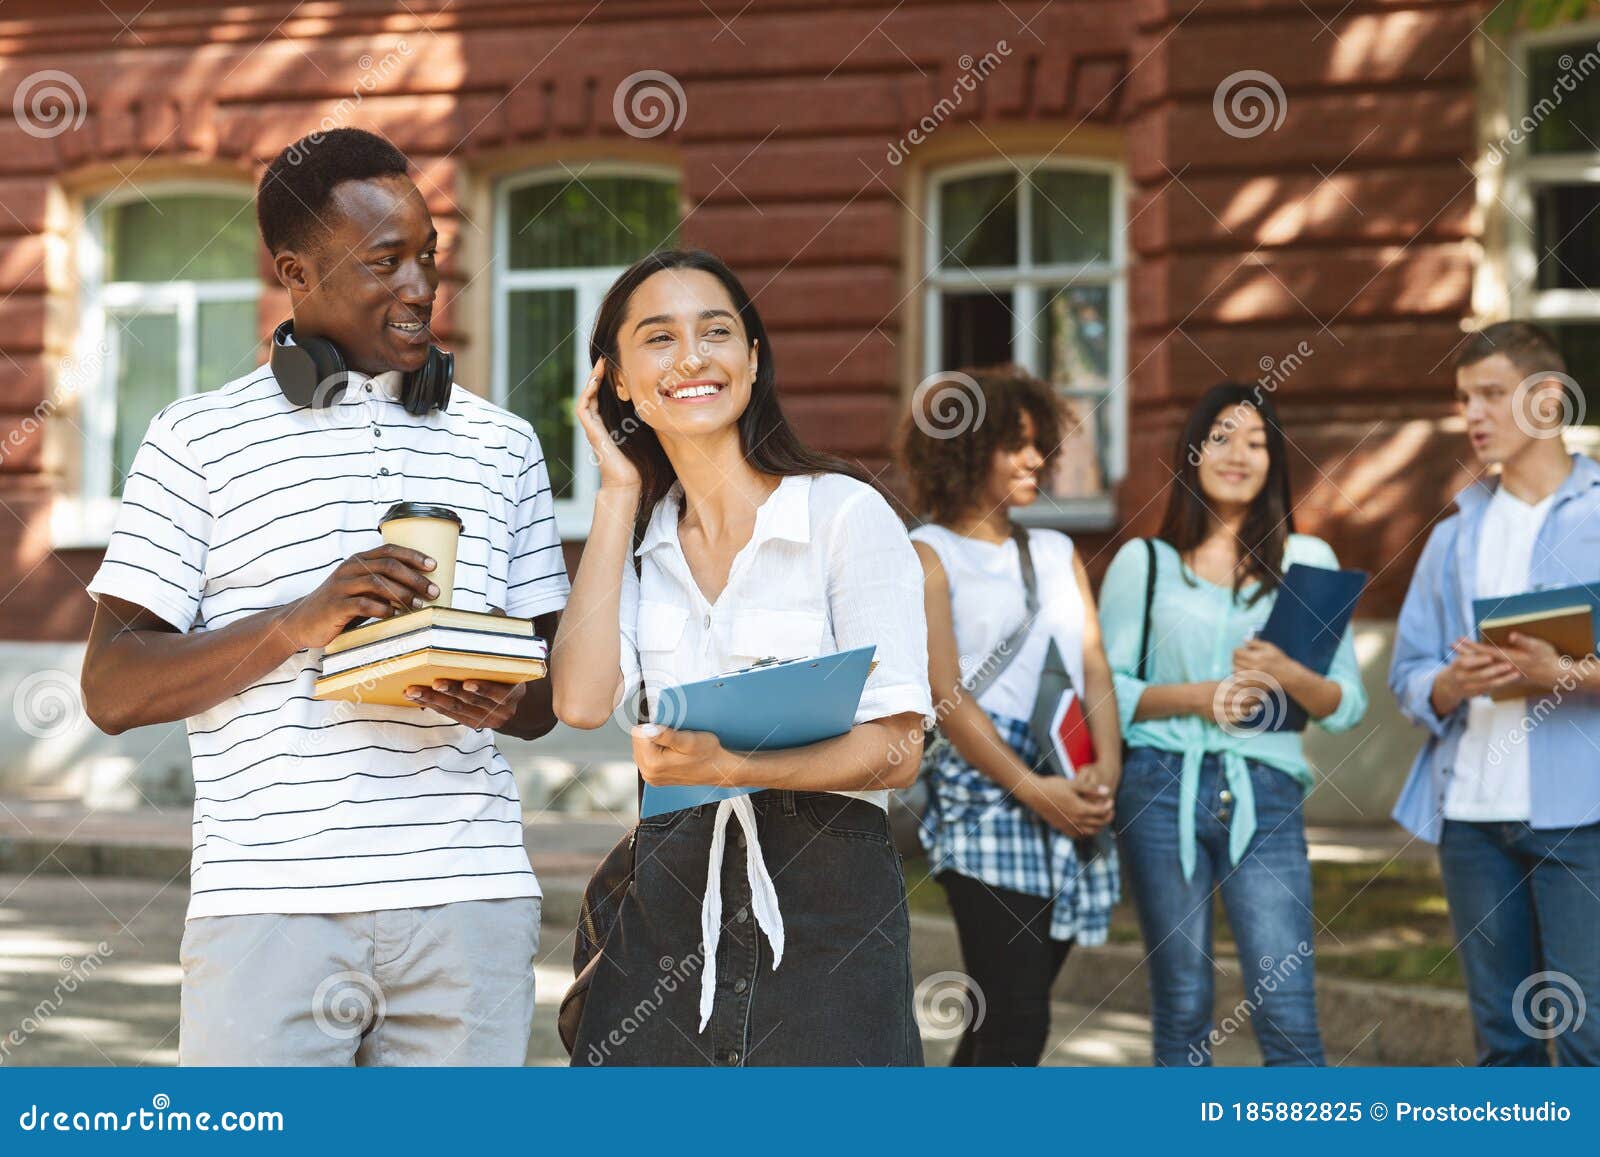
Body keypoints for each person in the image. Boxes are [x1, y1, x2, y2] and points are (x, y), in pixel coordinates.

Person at [79, 128, 569, 1066]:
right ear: (296, 273)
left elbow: (543, 699)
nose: (422, 285)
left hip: (468, 902)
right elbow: (110, 686)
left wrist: (502, 695)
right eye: (386, 261)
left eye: (429, 254)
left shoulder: (504, 444)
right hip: (268, 907)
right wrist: (295, 623)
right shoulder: (196, 439)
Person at [551, 248, 933, 1066]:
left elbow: (901, 748)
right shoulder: (637, 543)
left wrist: (732, 763)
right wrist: (615, 492)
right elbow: (581, 702)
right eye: (658, 338)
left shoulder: (843, 514)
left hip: (830, 897)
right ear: (615, 379)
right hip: (669, 897)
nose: (691, 356)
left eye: (716, 331)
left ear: (752, 361)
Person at [1099, 381, 1367, 1066]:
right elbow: (1106, 693)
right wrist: (1204, 697)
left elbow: (1347, 705)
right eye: (1222, 435)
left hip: (1266, 788)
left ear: (1276, 460)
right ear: (1194, 450)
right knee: (1183, 1005)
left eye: (1257, 440)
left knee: (1286, 1009)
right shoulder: (1146, 564)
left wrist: (1287, 671)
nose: (1239, 453)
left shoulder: (1310, 564)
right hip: (1159, 787)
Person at [1390, 321, 1600, 1066]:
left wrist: (1567, 675)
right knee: (1501, 1043)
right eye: (1463, 399)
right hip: (1473, 821)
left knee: (1586, 1039)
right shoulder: (1454, 533)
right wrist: (1447, 684)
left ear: (1547, 401)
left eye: (1491, 395)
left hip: (1581, 818)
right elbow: (1408, 670)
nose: (1472, 415)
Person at [898, 366, 1121, 1066]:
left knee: (1000, 1022)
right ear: (965, 451)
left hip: (1069, 784)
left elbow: (1094, 667)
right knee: (1019, 1016)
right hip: (983, 799)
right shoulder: (928, 552)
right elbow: (945, 692)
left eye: (1038, 444)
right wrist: (1033, 789)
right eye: (1014, 445)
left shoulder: (1057, 551)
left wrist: (1103, 776)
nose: (1035, 460)